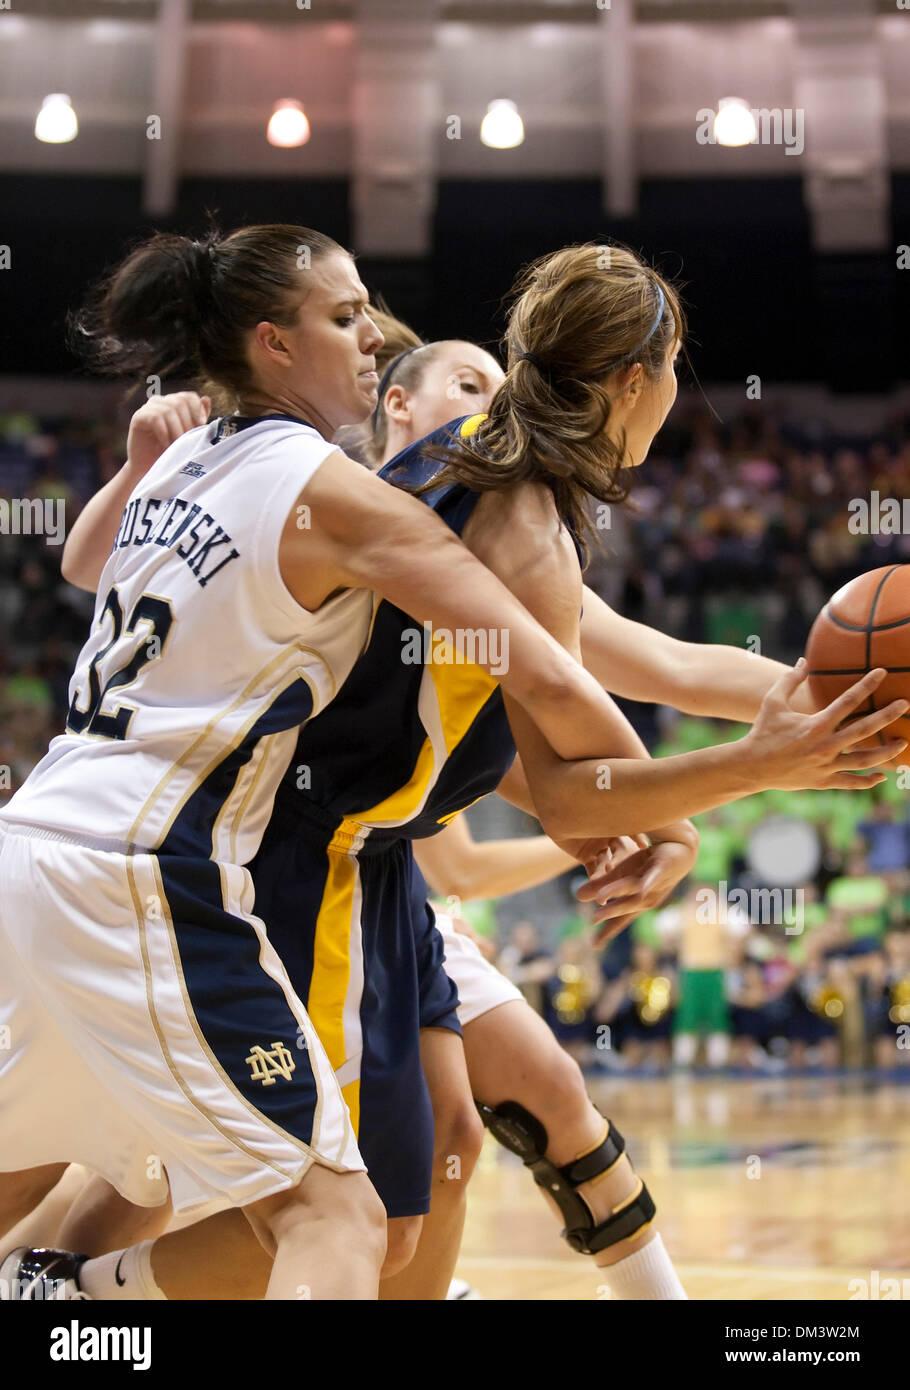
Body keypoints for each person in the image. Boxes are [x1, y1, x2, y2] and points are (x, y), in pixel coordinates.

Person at [26, 245, 910, 1304]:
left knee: (338, 1189)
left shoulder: (470, 469)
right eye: (678, 368)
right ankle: (71, 1296)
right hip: (272, 862)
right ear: (638, 381)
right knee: (320, 1212)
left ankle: (65, 1284)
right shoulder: (514, 522)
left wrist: (791, 729)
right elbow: (567, 747)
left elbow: (634, 677)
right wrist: (754, 769)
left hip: (254, 847)